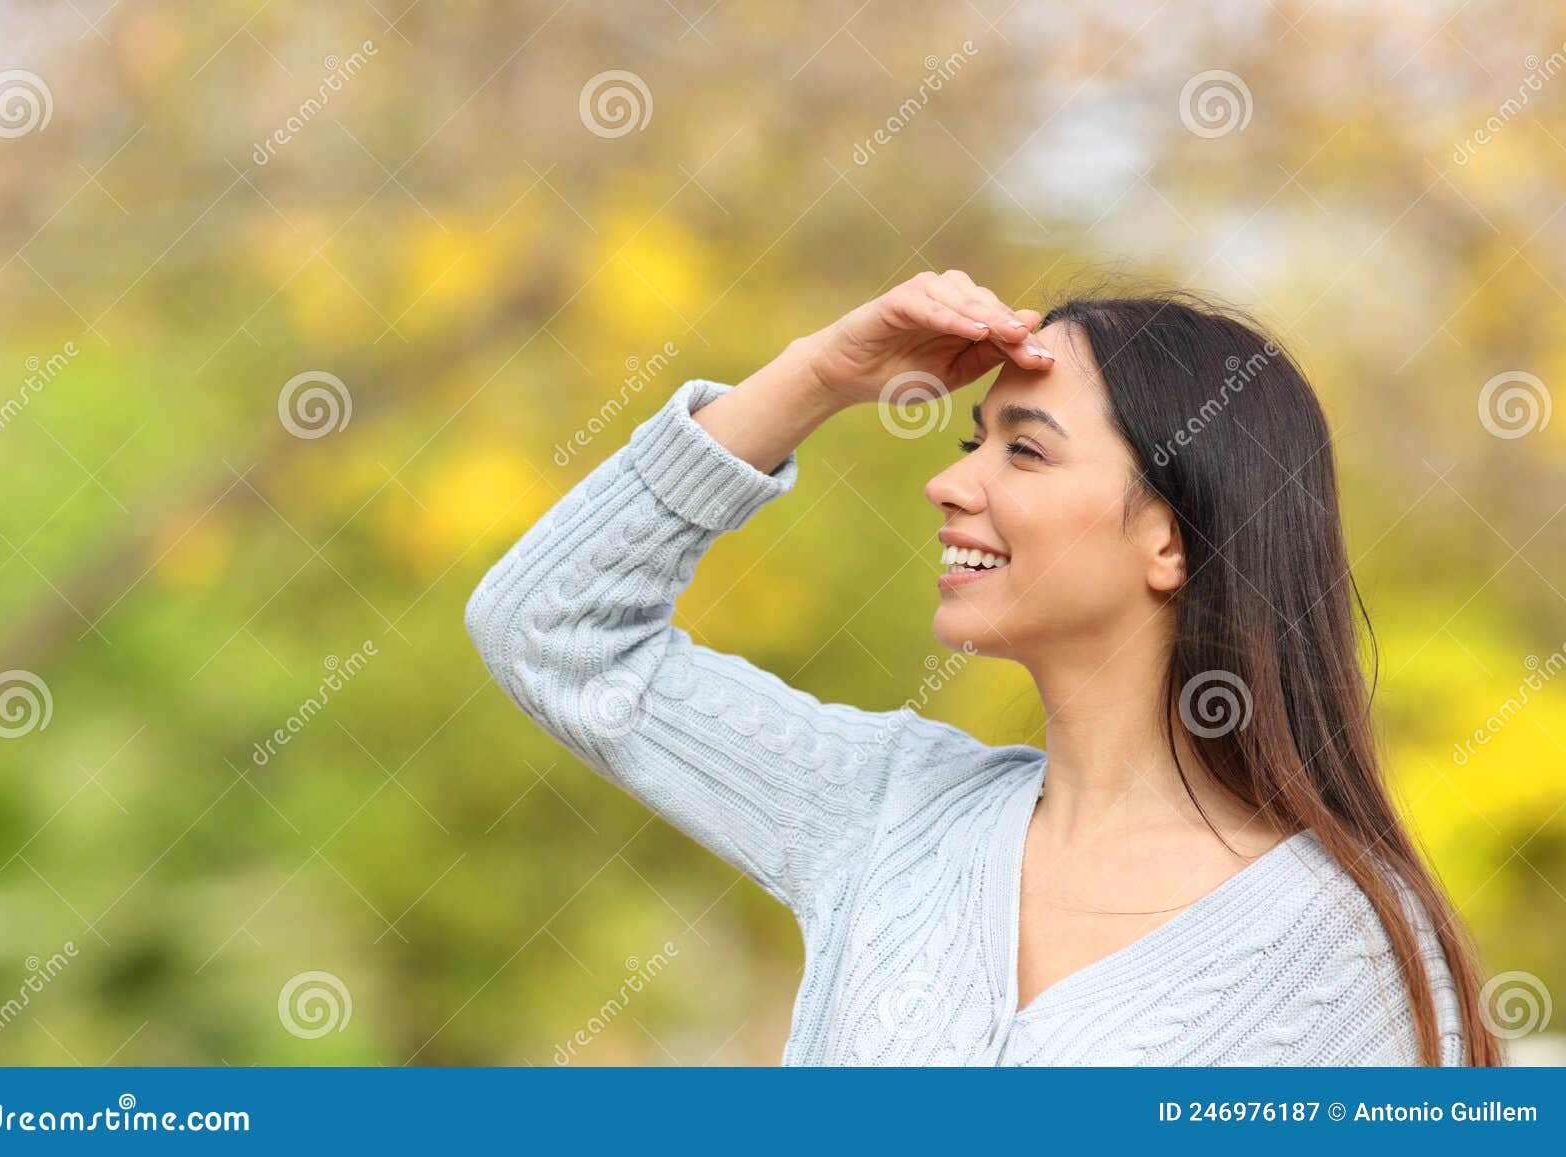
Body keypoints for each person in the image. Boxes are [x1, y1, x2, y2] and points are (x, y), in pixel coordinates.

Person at [465, 269, 1501, 1065]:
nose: (948, 481)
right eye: (973, 439)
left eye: (1025, 450)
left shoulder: (1356, 954)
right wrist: (817, 375)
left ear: (1171, 540)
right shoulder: (886, 810)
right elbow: (553, 631)